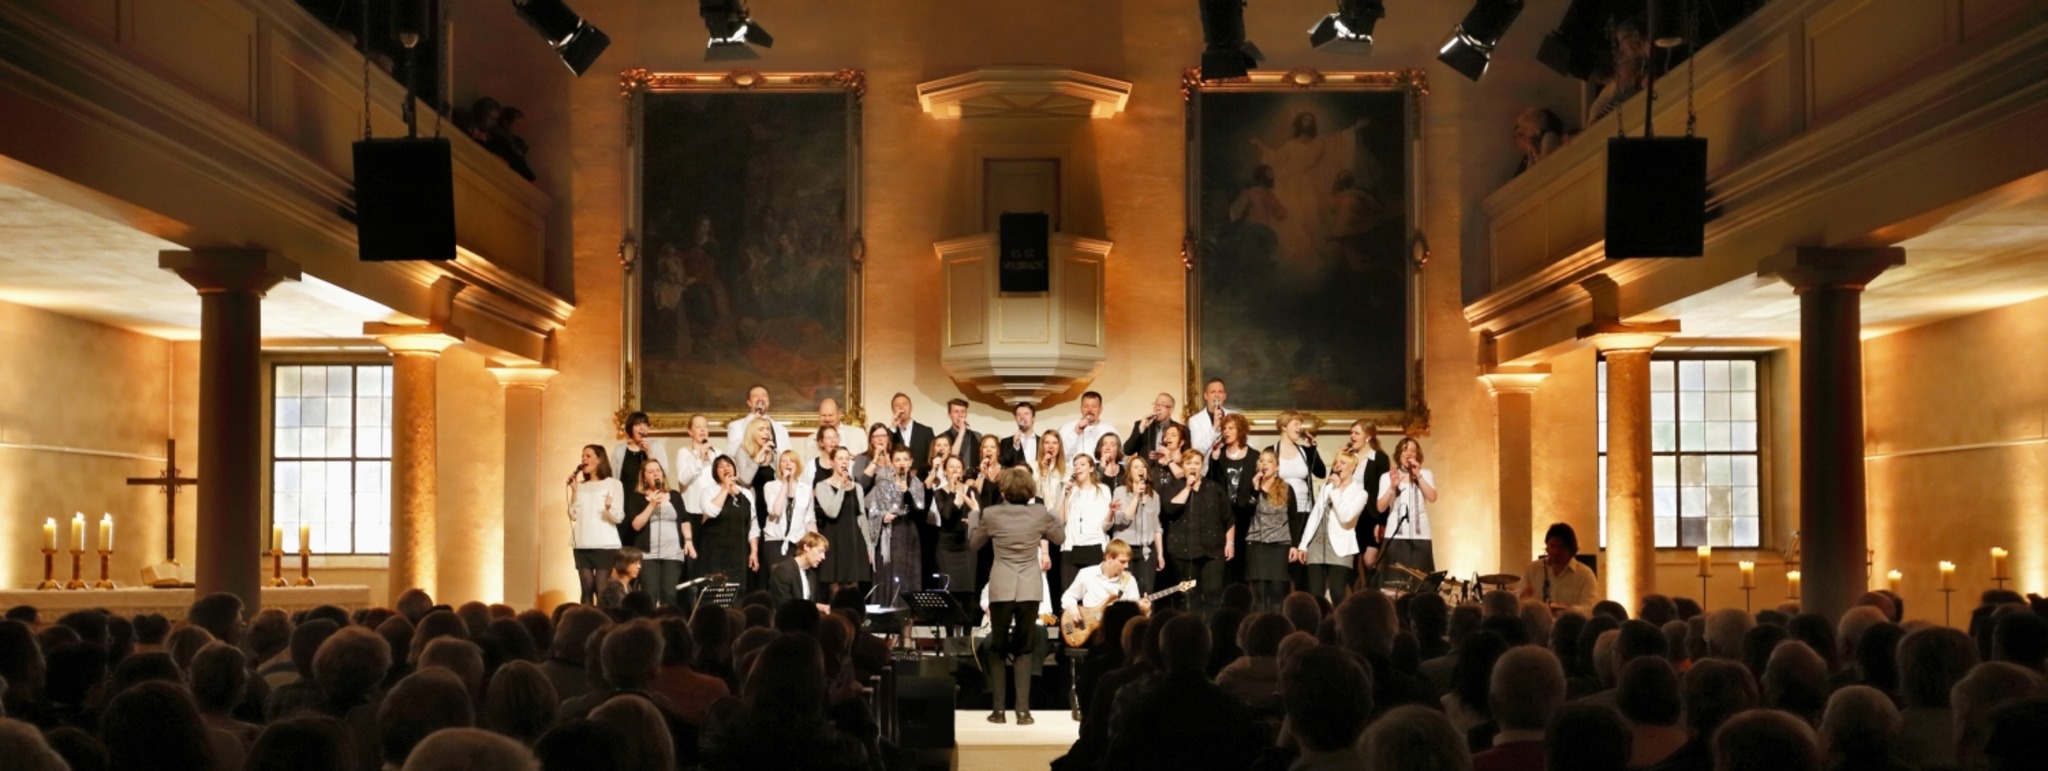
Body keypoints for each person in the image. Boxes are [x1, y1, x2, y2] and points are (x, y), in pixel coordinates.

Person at [969, 467, 1065, 724]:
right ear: (1030, 491)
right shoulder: (1039, 513)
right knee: (1024, 648)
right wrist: (1053, 510)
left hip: (1001, 586)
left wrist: (974, 513)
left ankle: (999, 711)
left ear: (1004, 490)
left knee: (998, 647)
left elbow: (974, 543)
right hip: (1029, 587)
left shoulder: (991, 513)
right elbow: (1059, 537)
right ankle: (1023, 712)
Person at [1164, 449, 1233, 615]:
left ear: (1202, 466)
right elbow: (1170, 508)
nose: (1193, 467)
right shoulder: (1173, 486)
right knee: (1189, 596)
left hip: (1213, 550)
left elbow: (1228, 518)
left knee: (1213, 591)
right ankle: (1191, 633)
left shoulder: (1214, 488)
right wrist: (1188, 487)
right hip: (1183, 551)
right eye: (1188, 463)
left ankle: (1212, 631)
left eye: (1196, 463)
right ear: (1182, 466)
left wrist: (1230, 542)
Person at [1294, 451, 1369, 604]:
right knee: (1316, 593)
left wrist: (1336, 490)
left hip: (1340, 546)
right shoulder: (1326, 488)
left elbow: (1346, 517)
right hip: (1317, 543)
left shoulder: (1360, 493)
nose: (1338, 465)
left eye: (1343, 463)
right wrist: (1303, 545)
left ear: (1353, 468)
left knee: (1337, 591)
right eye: (1336, 462)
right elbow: (1315, 516)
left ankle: (1339, 625)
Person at [867, 446, 928, 608]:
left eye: (905, 460)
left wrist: (907, 492)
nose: (901, 463)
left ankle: (905, 625)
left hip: (908, 532)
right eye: (897, 460)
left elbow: (920, 512)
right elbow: (874, 509)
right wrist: (882, 516)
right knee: (887, 576)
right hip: (888, 534)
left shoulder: (916, 484)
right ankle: (885, 624)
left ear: (911, 462)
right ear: (891, 463)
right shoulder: (883, 483)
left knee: (906, 578)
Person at [631, 457, 693, 608]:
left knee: (669, 594)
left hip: (673, 553)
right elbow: (636, 525)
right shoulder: (637, 498)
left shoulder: (675, 496)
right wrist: (651, 504)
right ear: (644, 477)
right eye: (651, 472)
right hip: (648, 554)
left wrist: (689, 540)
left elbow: (684, 520)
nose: (655, 474)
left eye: (658, 470)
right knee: (650, 594)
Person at [567, 445, 624, 606]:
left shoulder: (613, 484)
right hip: (581, 542)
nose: (584, 459)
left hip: (605, 544)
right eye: (582, 456)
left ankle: (604, 624)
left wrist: (609, 507)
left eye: (588, 455)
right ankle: (585, 625)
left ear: (599, 459)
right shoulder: (581, 486)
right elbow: (573, 515)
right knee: (586, 588)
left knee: (601, 588)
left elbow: (618, 517)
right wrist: (574, 491)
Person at [1376, 436, 1438, 582]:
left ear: (1417, 455)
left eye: (1413, 450)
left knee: (1420, 582)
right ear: (1399, 454)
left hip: (1421, 536)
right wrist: (1392, 486)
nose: (1409, 453)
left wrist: (1418, 476)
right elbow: (1380, 507)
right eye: (1405, 450)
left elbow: (1432, 497)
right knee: (1394, 582)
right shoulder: (1387, 477)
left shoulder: (1425, 474)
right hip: (1396, 536)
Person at [1208, 413, 1259, 588]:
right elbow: (1211, 483)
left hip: (1246, 516)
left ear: (1241, 430)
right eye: (1224, 428)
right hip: (1223, 517)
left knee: (1243, 563)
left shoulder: (1254, 456)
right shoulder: (1219, 455)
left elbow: (1257, 486)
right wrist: (1214, 458)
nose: (1226, 431)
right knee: (1225, 563)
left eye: (1231, 428)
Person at [811, 447, 870, 598]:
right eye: (840, 458)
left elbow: (861, 517)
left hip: (854, 541)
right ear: (832, 462)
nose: (844, 462)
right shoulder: (822, 486)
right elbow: (832, 512)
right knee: (835, 588)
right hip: (834, 540)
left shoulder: (857, 488)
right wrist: (842, 489)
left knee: (853, 588)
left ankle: (853, 619)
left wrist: (868, 546)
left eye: (846, 459)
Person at [1244, 450, 1296, 612]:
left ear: (1277, 467)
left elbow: (1294, 518)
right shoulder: (1252, 487)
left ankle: (1277, 629)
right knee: (1259, 594)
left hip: (1279, 545)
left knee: (1277, 592)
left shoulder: (1287, 489)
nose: (1264, 464)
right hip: (1256, 544)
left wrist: (1295, 545)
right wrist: (1254, 489)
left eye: (1269, 461)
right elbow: (1245, 512)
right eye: (1261, 461)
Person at [1059, 454, 1115, 603]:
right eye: (1075, 464)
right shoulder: (1070, 490)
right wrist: (1066, 496)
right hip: (1072, 547)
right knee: (1069, 593)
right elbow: (1061, 520)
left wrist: (1111, 512)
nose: (1078, 467)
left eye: (1082, 464)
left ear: (1091, 468)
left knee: (1095, 595)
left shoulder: (1102, 490)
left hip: (1095, 546)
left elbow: (1106, 525)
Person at [752, 450, 813, 583]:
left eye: (791, 461)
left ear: (797, 465)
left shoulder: (806, 489)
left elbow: (809, 518)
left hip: (797, 540)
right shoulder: (771, 486)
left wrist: (815, 542)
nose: (787, 464)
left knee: (797, 580)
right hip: (775, 540)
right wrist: (785, 484)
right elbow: (776, 511)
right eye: (783, 461)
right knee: (779, 578)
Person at [613, 412, 670, 550]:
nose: (642, 428)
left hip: (648, 503)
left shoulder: (655, 446)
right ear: (630, 428)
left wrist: (649, 453)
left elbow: (664, 474)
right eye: (638, 424)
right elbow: (614, 479)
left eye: (645, 424)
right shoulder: (620, 450)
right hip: (626, 505)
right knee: (627, 548)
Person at [931, 455, 982, 609]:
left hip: (966, 545)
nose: (954, 470)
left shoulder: (971, 491)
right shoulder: (939, 493)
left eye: (958, 467)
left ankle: (967, 630)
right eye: (951, 467)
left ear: (963, 471)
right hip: (946, 547)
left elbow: (980, 514)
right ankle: (949, 631)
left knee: (967, 590)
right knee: (949, 591)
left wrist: (971, 520)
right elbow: (946, 515)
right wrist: (954, 493)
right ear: (945, 472)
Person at [1109, 456, 1166, 593]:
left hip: (1146, 549)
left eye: (1143, 467)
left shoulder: (1154, 496)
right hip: (1125, 549)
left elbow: (1156, 527)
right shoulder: (1120, 491)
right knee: (1125, 589)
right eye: (1136, 467)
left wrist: (1160, 553)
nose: (1140, 469)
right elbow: (1124, 519)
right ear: (1129, 472)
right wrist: (1135, 496)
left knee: (1146, 589)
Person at [697, 456, 753, 594]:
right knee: (714, 590)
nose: (726, 468)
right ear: (715, 472)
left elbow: (753, 523)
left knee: (736, 592)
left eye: (729, 465)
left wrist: (754, 551)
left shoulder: (745, 493)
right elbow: (711, 512)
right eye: (721, 466)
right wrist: (725, 490)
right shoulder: (708, 492)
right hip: (714, 553)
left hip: (738, 553)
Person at [1521, 523, 1600, 615]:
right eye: (1552, 546)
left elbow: (1591, 608)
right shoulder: (1533, 569)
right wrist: (1523, 600)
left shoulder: (1585, 574)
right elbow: (1520, 596)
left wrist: (1570, 610)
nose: (1555, 552)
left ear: (1570, 549)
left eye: (1561, 548)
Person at [1060, 540, 1145, 621]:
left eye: (1127, 562)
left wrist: (1143, 609)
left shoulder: (1129, 580)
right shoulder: (1087, 574)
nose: (1126, 566)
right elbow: (1069, 596)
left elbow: (1133, 612)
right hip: (1089, 630)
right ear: (1108, 558)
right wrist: (1073, 609)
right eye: (1122, 562)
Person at [770, 532, 831, 615]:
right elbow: (784, 607)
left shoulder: (811, 574)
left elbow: (807, 602)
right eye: (820, 551)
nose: (823, 557)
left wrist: (818, 607)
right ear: (806, 547)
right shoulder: (783, 571)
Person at [673, 414, 720, 520]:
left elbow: (721, 478)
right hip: (692, 511)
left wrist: (712, 458)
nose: (703, 430)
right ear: (690, 432)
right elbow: (683, 480)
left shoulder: (716, 452)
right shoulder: (684, 452)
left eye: (705, 426)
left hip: (713, 510)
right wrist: (700, 460)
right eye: (698, 427)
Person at [725, 385, 790, 458]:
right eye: (755, 396)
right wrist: (752, 424)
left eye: (764, 395)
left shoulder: (781, 429)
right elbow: (731, 452)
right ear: (749, 403)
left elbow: (788, 456)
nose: (760, 398)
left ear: (768, 401)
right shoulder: (735, 426)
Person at [1123, 392, 1186, 464]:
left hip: (1170, 472)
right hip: (1146, 473)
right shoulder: (1142, 425)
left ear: (1170, 410)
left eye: (1162, 405)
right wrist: (1141, 428)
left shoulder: (1181, 430)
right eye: (1156, 404)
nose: (1158, 408)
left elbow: (1187, 457)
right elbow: (1127, 451)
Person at [1186, 378, 1236, 462]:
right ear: (1205, 396)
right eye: (1213, 392)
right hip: (1207, 470)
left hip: (1230, 466)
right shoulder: (1195, 421)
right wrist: (1214, 428)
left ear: (1224, 396)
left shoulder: (1235, 416)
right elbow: (1197, 452)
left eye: (1220, 392)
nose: (1217, 395)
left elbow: (1244, 443)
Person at [886, 392, 935, 477]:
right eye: (897, 405)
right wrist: (893, 427)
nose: (901, 407)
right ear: (893, 410)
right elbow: (886, 452)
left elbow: (932, 458)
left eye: (904, 404)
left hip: (921, 480)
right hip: (895, 480)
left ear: (911, 407)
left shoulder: (926, 431)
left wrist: (918, 471)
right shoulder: (889, 432)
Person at [1059, 391, 1112, 463]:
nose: (1089, 410)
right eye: (1086, 406)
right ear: (1081, 409)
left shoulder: (1109, 430)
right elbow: (1059, 456)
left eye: (1094, 406)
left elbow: (1119, 459)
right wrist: (1075, 433)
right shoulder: (1067, 428)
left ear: (1100, 409)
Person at [936, 398, 982, 466]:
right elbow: (949, 459)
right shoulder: (943, 437)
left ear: (966, 414)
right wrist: (961, 433)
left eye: (963, 411)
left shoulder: (977, 436)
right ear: (949, 415)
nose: (960, 415)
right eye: (956, 412)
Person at [851, 423, 894, 493]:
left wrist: (890, 464)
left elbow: (903, 474)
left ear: (888, 439)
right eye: (876, 436)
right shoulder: (861, 458)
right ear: (871, 440)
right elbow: (861, 485)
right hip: (871, 501)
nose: (880, 439)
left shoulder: (896, 456)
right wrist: (874, 460)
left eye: (883, 435)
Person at [999, 403, 1039, 470]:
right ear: (1015, 419)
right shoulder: (1006, 442)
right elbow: (1002, 463)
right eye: (1019, 414)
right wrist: (1015, 447)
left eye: (1026, 414)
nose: (1022, 417)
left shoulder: (1042, 441)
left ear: (1033, 418)